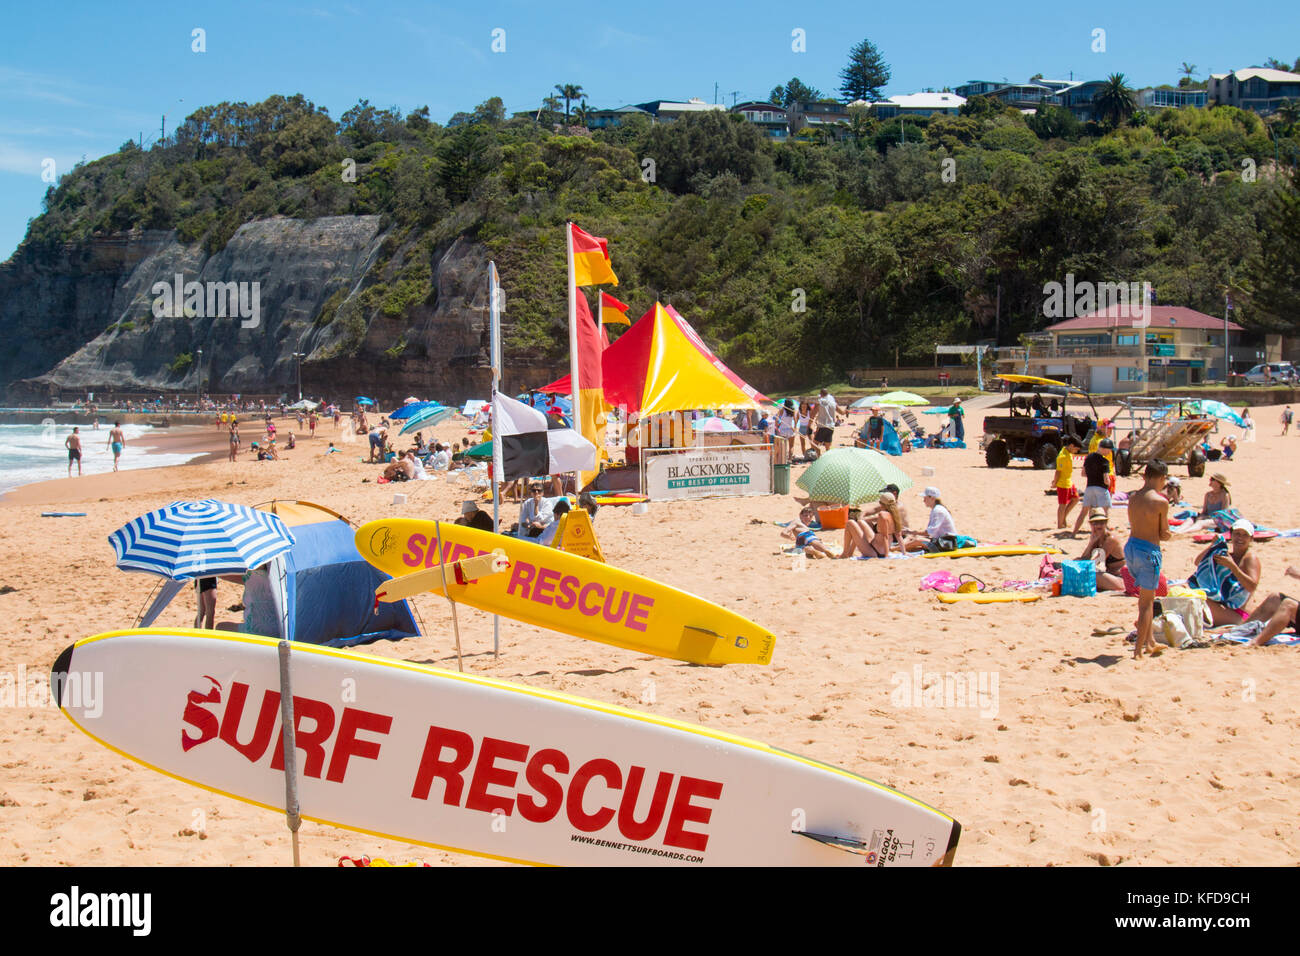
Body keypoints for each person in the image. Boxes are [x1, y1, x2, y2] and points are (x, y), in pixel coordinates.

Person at [1125, 460, 1172, 659]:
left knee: (1145, 599)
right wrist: (1169, 534)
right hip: (1148, 551)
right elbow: (1163, 532)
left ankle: (1151, 641)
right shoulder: (1161, 501)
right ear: (1161, 478)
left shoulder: (1133, 497)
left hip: (1132, 548)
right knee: (1146, 603)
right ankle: (1139, 651)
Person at [1191, 519, 1261, 627]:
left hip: (1237, 613)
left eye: (1245, 535)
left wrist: (1233, 567)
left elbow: (1252, 586)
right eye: (1237, 534)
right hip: (1222, 606)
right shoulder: (1226, 555)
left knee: (1195, 602)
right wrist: (1212, 545)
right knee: (1189, 595)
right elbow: (1198, 562)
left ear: (1251, 538)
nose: (1240, 538)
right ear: (1231, 535)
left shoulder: (1250, 558)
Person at [840, 491, 903, 558]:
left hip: (874, 551)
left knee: (850, 523)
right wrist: (904, 552)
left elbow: (885, 537)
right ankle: (850, 553)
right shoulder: (895, 516)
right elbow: (899, 536)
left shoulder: (882, 515)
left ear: (881, 504)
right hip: (877, 547)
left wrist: (886, 556)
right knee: (860, 523)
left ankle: (845, 553)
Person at [1072, 442, 1111, 535]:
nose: (1109, 452)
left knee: (1084, 512)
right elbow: (1106, 479)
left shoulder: (1088, 458)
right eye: (1109, 450)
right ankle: (1104, 533)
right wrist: (1109, 483)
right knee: (1104, 511)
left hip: (1089, 487)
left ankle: (1074, 532)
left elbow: (1083, 474)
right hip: (1101, 488)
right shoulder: (1104, 461)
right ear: (1104, 448)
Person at [902, 487, 957, 552]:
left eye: (925, 498)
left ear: (932, 498)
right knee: (913, 538)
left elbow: (929, 532)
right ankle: (898, 547)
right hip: (943, 540)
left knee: (918, 540)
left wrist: (911, 532)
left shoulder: (938, 511)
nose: (924, 500)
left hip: (947, 543)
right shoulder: (936, 509)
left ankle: (893, 549)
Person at [1049, 436, 1083, 530]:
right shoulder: (1062, 456)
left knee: (1076, 499)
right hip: (1063, 483)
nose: (1077, 451)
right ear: (1072, 446)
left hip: (1069, 481)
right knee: (1062, 504)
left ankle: (1063, 518)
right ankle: (1060, 525)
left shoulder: (1068, 453)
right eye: (1076, 449)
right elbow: (1058, 471)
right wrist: (1055, 483)